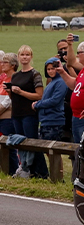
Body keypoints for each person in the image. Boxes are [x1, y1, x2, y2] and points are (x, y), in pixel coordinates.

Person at [8, 45, 46, 178]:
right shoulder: (15, 76)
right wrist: (10, 92)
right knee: (20, 142)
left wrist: (21, 92)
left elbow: (39, 95)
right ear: (18, 57)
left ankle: (40, 172)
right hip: (16, 113)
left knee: (32, 142)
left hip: (29, 113)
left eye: (27, 55)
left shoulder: (34, 74)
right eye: (22, 55)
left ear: (31, 57)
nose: (24, 57)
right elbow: (14, 97)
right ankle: (24, 168)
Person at [34, 58, 69, 142]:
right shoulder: (52, 82)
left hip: (54, 120)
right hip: (46, 120)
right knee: (47, 148)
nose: (50, 71)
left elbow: (55, 100)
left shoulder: (61, 82)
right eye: (48, 69)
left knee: (51, 149)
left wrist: (37, 104)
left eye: (53, 69)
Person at [0, 53, 16, 174]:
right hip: (2, 116)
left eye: (5, 62)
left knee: (8, 146)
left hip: (7, 117)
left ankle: (12, 171)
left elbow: (8, 100)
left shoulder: (14, 78)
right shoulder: (4, 78)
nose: (2, 64)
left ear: (13, 65)